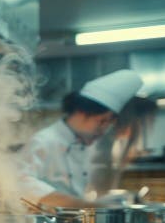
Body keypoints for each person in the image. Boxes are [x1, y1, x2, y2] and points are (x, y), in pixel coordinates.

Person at [18, 69, 142, 208]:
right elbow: (20, 183)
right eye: (101, 121)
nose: (104, 130)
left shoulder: (86, 145)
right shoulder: (44, 141)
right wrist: (85, 205)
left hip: (75, 222)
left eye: (108, 124)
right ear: (81, 112)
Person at [90, 97, 158, 195]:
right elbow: (99, 179)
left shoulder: (109, 138)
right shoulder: (102, 140)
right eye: (142, 122)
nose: (141, 127)